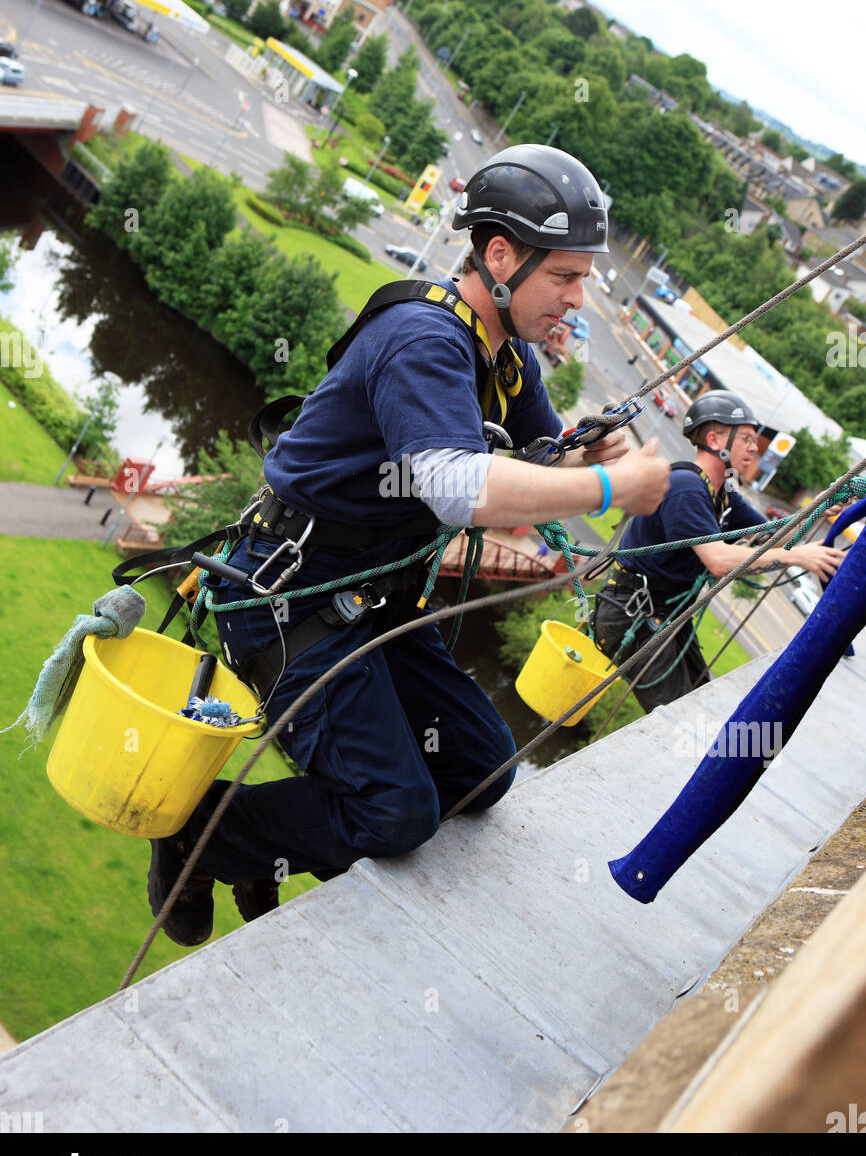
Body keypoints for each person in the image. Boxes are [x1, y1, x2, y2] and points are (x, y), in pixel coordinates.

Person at [147, 143, 671, 946]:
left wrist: (591, 451)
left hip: (366, 599)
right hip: (290, 603)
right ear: (501, 255)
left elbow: (537, 456)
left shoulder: (505, 357)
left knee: (482, 770)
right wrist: (609, 490)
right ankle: (207, 834)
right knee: (396, 812)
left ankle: (291, 837)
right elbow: (460, 489)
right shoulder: (425, 339)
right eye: (565, 277)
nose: (579, 297)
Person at [591, 391, 844, 713]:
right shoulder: (685, 485)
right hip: (633, 614)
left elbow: (775, 538)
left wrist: (817, 508)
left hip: (662, 615)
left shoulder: (722, 493)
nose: (755, 449)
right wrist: (798, 558)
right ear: (715, 439)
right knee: (680, 718)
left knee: (702, 702)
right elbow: (719, 560)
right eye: (748, 439)